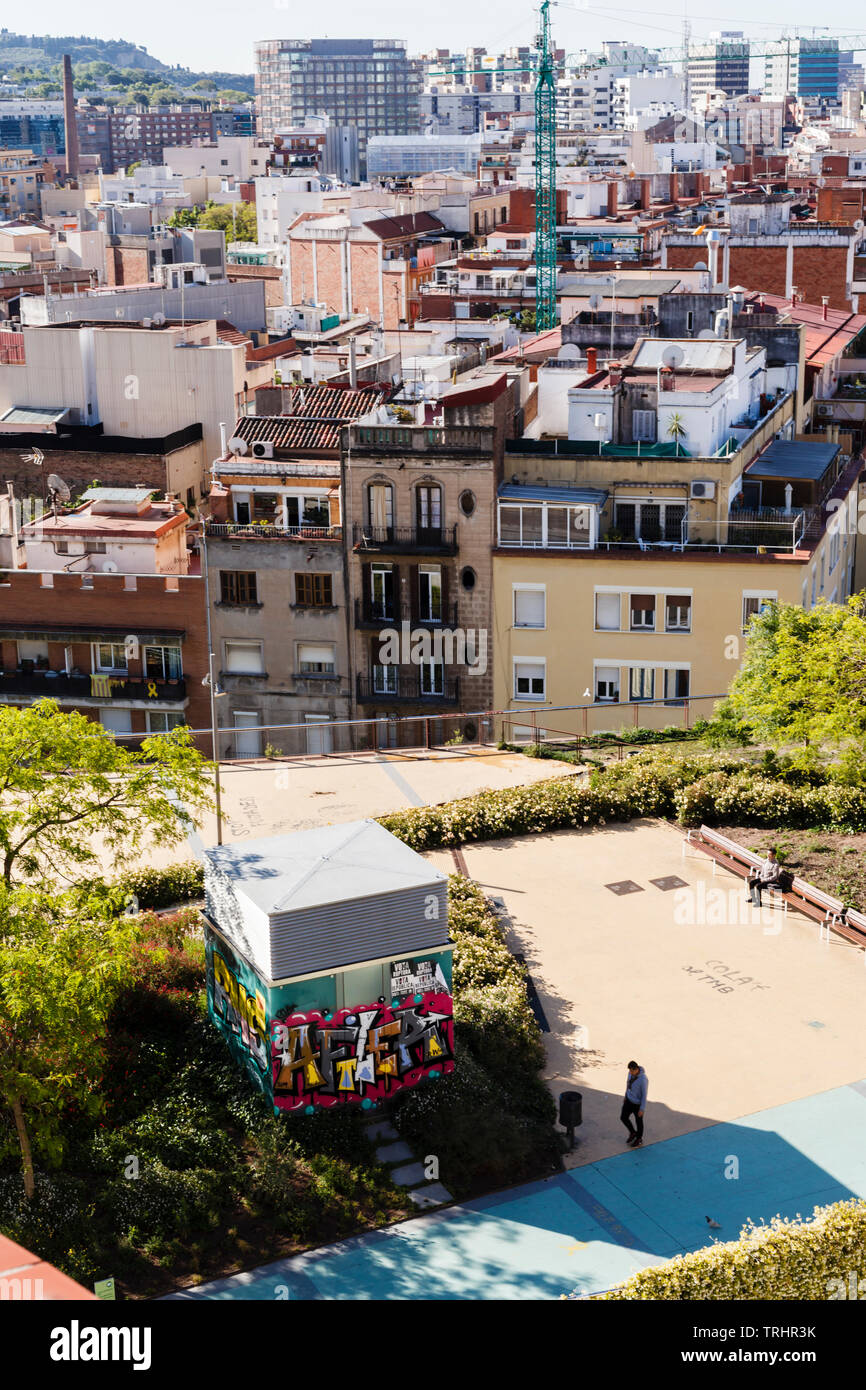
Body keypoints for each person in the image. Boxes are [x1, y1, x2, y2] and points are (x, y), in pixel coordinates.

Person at [621, 1060, 648, 1148]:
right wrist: (626, 1095)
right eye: (629, 1071)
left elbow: (644, 1095)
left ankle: (639, 1138)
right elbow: (627, 1084)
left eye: (632, 1071)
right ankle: (632, 1132)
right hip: (629, 1100)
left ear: (636, 1069)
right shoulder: (630, 1074)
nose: (630, 1073)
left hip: (637, 1104)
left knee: (639, 1122)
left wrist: (642, 1108)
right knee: (623, 1117)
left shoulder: (643, 1080)